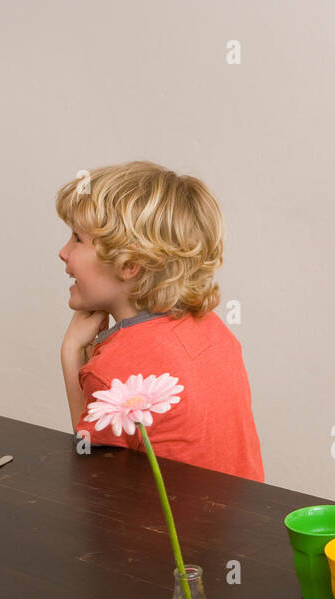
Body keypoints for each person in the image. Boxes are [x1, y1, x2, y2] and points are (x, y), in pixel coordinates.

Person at [55, 161, 264, 482]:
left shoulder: (112, 374)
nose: (63, 252)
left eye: (77, 239)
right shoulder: (212, 329)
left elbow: (93, 484)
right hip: (238, 527)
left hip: (170, 533)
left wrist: (72, 355)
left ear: (130, 264)